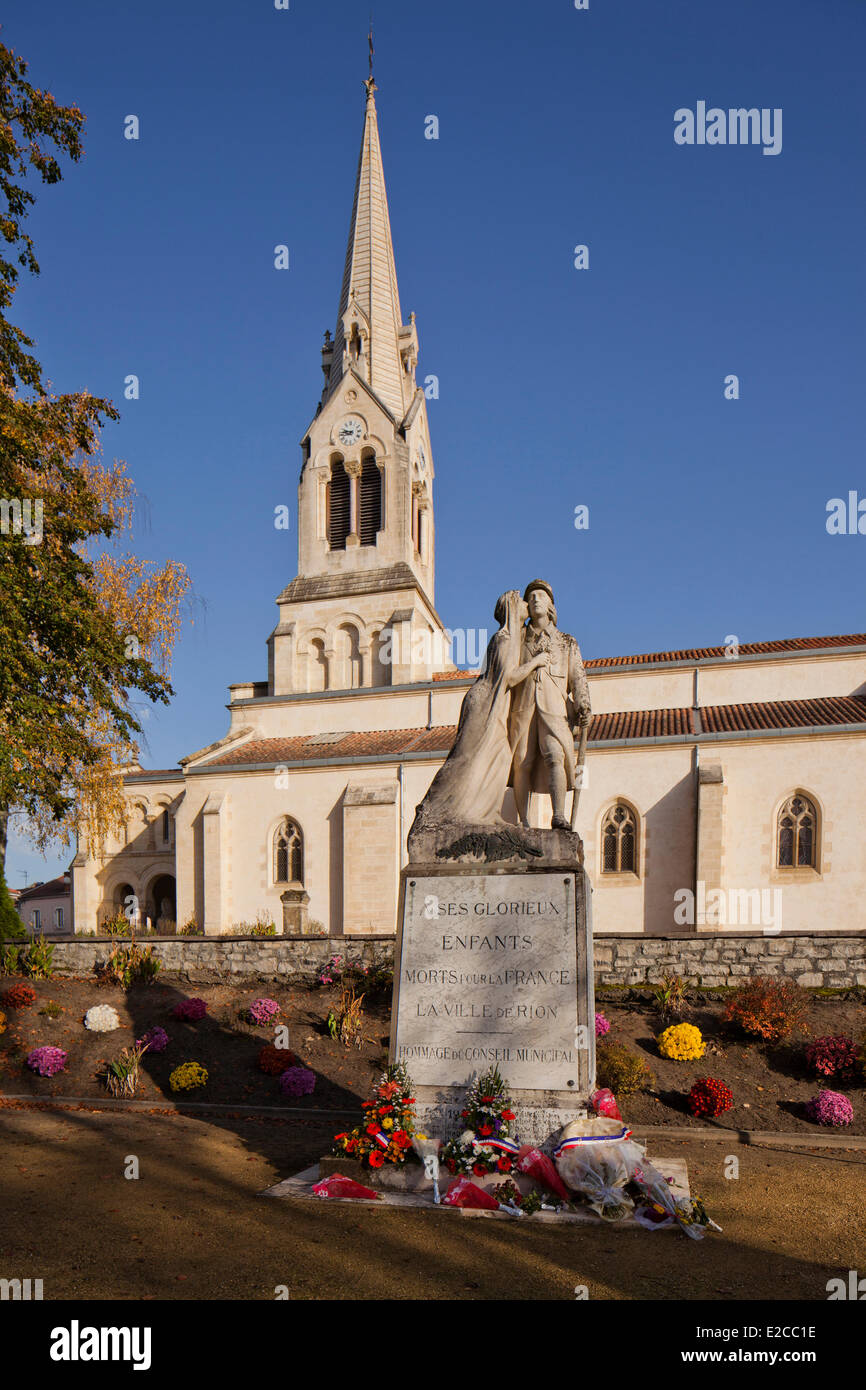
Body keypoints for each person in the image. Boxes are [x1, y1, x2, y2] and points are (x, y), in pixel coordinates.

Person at [409, 590, 548, 832]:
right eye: (522, 601)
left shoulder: (514, 637)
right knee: (466, 759)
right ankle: (433, 812)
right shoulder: (504, 638)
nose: (528, 604)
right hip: (483, 705)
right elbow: (509, 678)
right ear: (513, 607)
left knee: (502, 754)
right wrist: (537, 661)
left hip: (491, 704)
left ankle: (487, 812)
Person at [508, 579, 591, 830]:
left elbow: (578, 677)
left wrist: (584, 705)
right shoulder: (517, 639)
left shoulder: (566, 641)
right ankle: (524, 822)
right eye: (531, 596)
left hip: (555, 710)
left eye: (541, 596)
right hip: (523, 709)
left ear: (551, 605)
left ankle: (558, 815)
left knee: (555, 754)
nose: (535, 600)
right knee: (522, 760)